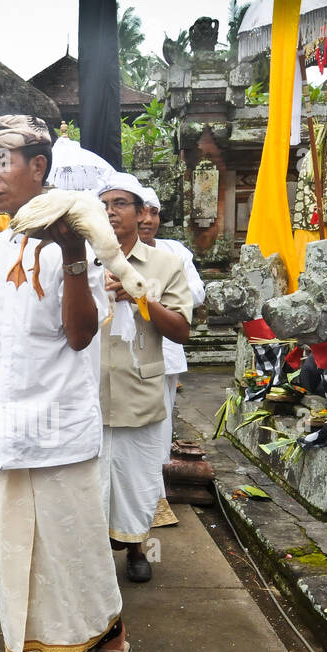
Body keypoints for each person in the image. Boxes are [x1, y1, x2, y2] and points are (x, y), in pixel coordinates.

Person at [0, 113, 126, 652]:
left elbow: (79, 336)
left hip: (59, 425)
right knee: (10, 545)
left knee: (72, 542)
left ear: (39, 169)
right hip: (4, 424)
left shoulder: (78, 245)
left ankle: (112, 636)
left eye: (4, 163)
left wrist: (72, 250)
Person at [97, 174, 192, 583]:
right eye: (103, 204)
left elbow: (182, 330)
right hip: (89, 393)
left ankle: (136, 548)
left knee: (138, 478)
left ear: (141, 213)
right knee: (93, 482)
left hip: (141, 387)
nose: (110, 211)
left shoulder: (166, 264)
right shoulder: (80, 261)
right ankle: (96, 557)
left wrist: (141, 299)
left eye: (120, 203)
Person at [136, 187, 205, 463]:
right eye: (142, 212)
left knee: (162, 421)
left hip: (167, 348)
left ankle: (158, 487)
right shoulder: (112, 252)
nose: (148, 220)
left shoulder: (175, 252)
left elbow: (197, 294)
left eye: (154, 213)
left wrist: (149, 298)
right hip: (125, 351)